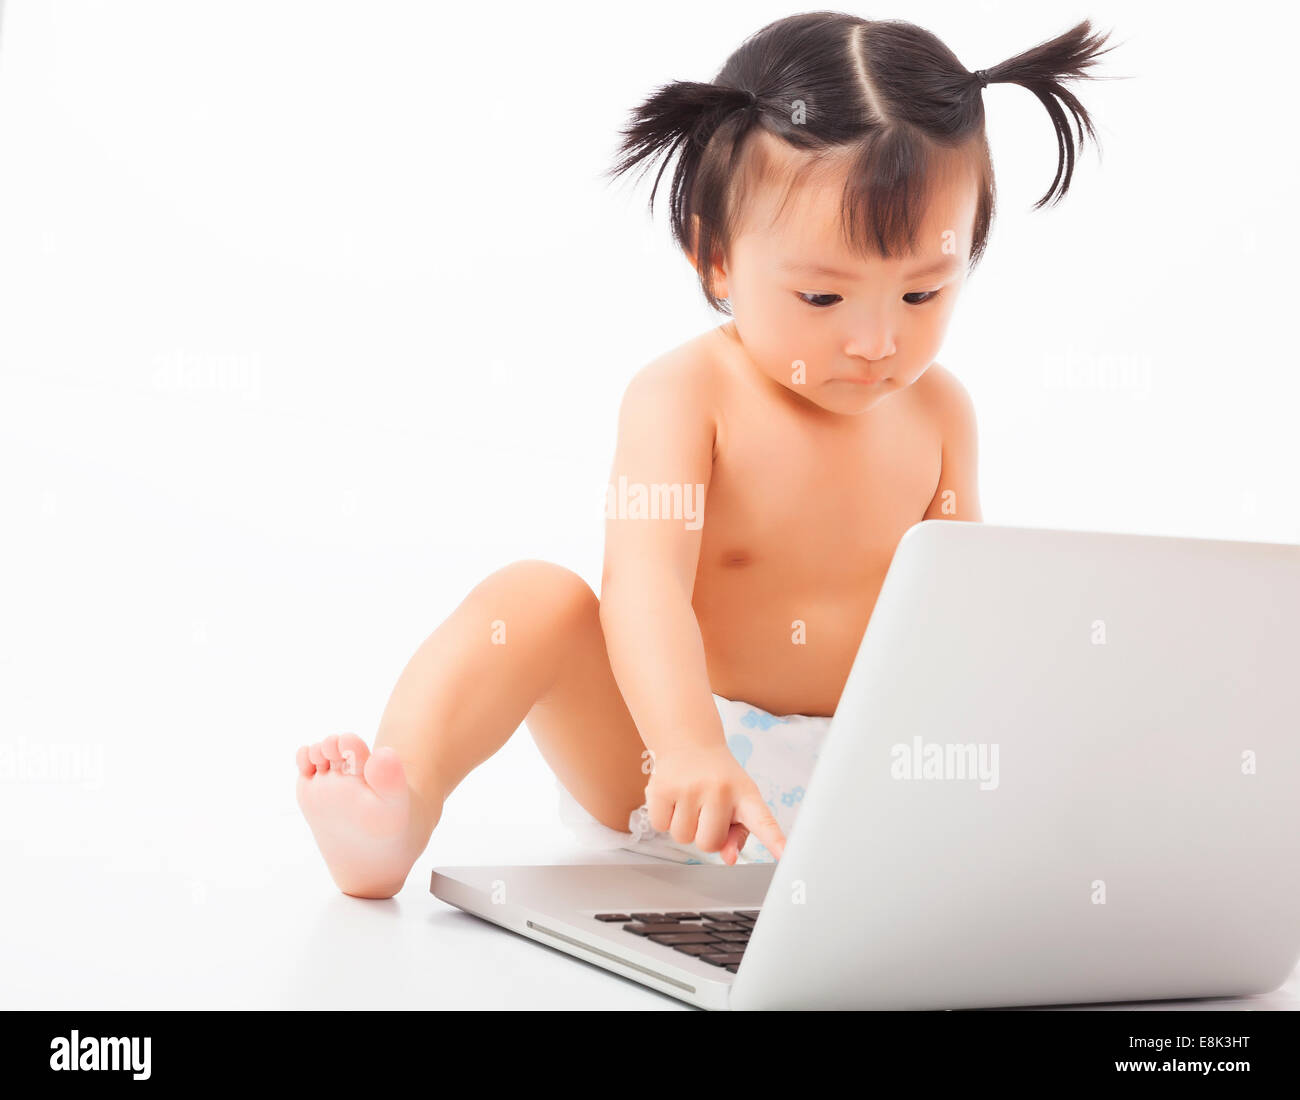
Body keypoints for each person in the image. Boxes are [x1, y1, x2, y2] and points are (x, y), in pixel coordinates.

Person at [294, 11, 1117, 897]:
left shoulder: (942, 412)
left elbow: (958, 603)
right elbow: (644, 583)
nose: (878, 340)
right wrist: (687, 745)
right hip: (670, 764)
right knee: (531, 599)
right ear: (714, 256)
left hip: (862, 779)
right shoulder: (689, 396)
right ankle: (395, 808)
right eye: (821, 294)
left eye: (922, 291)